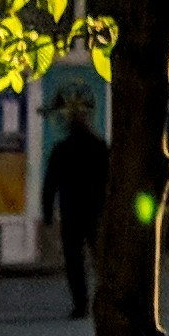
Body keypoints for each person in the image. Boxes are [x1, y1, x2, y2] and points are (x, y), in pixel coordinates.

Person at [41, 96, 111, 319]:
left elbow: (50, 184)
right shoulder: (100, 148)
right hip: (96, 212)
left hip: (72, 213)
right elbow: (112, 181)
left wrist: (48, 214)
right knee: (101, 259)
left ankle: (81, 304)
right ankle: (106, 300)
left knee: (74, 262)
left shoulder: (62, 150)